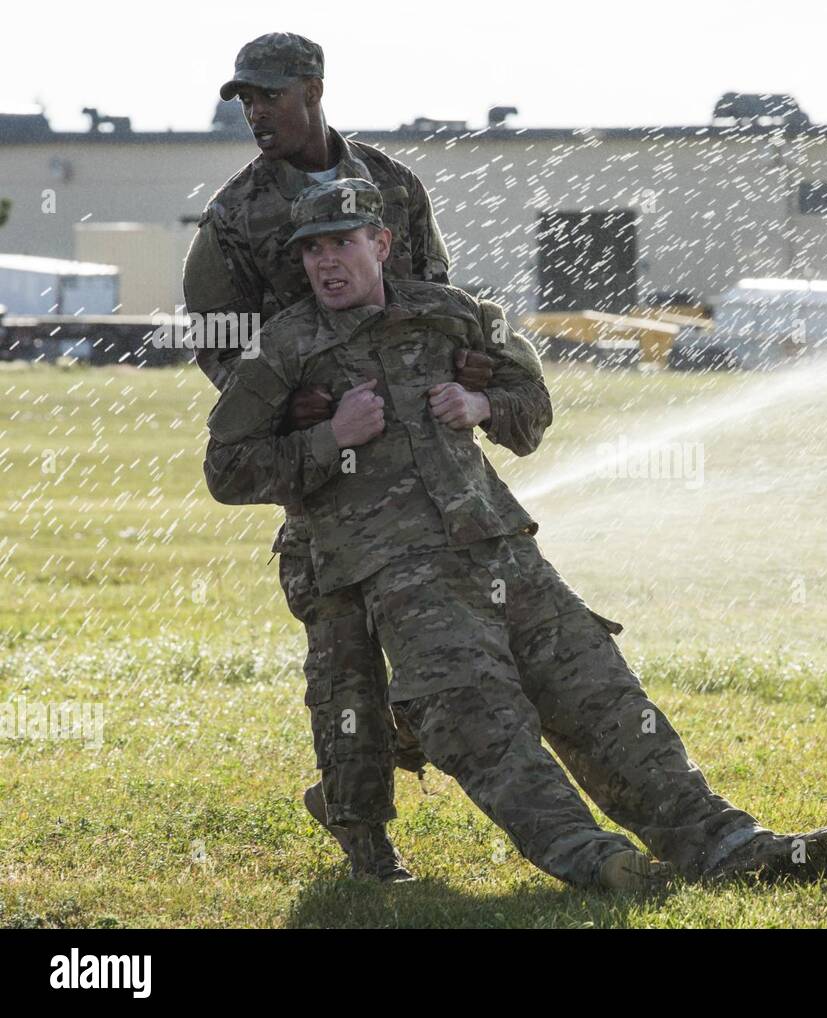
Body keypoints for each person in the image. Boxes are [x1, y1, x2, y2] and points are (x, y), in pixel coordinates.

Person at [203, 178, 827, 890]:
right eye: (313, 250)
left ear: (381, 245)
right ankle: (597, 860)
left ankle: (732, 845)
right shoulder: (285, 349)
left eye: (343, 243)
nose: (327, 262)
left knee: (604, 697)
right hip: (393, 570)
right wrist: (332, 436)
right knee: (482, 715)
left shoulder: (454, 317)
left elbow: (531, 410)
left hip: (501, 546)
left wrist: (483, 401)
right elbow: (228, 470)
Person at [183, 31, 492, 880]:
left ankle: (384, 751)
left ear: (312, 89)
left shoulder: (392, 186)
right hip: (323, 458)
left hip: (421, 454)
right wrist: (290, 406)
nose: (254, 113)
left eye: (267, 97)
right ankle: (365, 839)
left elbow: (431, 293)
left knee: (459, 636)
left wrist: (468, 365)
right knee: (342, 646)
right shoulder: (236, 213)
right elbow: (216, 341)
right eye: (242, 100)